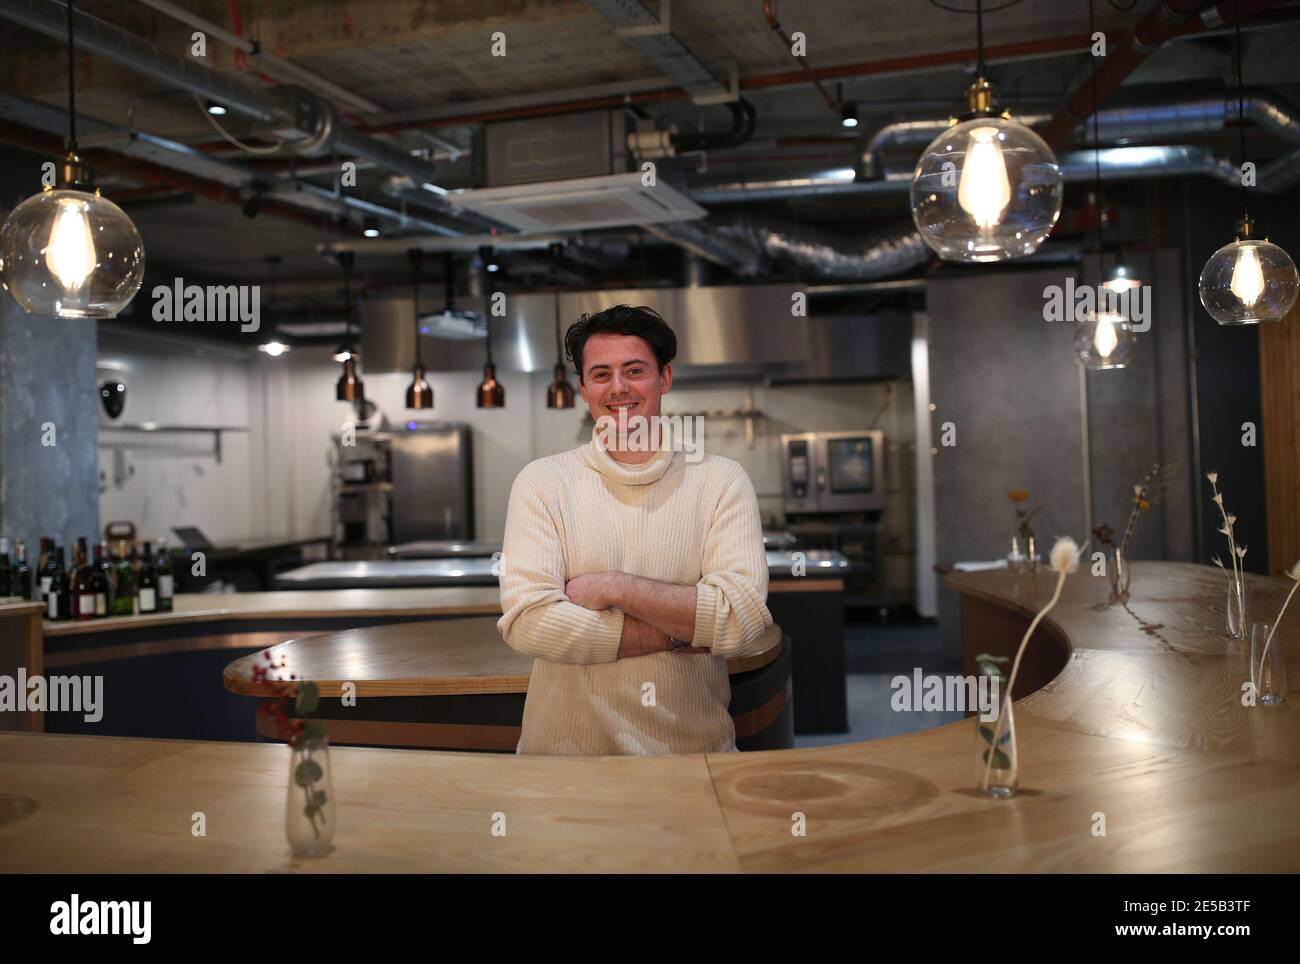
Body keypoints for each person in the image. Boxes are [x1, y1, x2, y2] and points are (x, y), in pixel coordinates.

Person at [497, 304, 773, 755]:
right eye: (601, 374)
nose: (618, 388)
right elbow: (530, 624)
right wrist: (680, 631)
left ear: (664, 378)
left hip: (693, 761)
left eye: (635, 370)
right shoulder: (542, 483)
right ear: (583, 388)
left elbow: (740, 620)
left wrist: (613, 587)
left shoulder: (720, 479)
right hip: (565, 767)